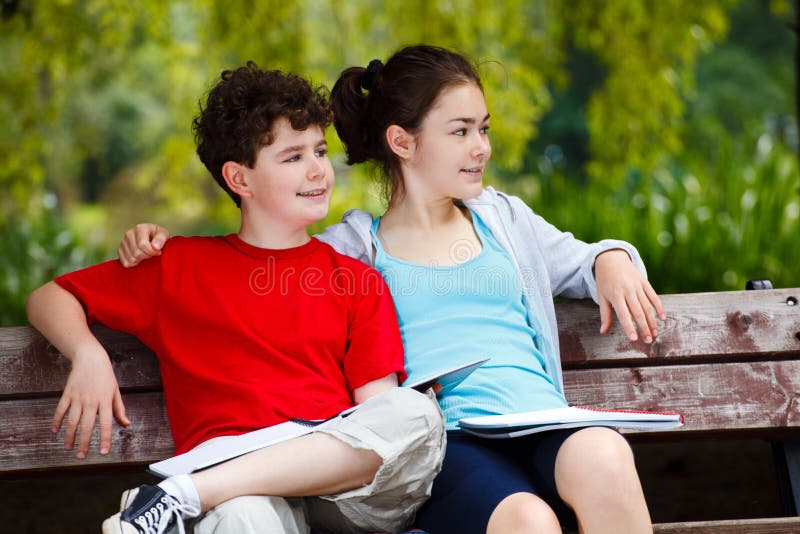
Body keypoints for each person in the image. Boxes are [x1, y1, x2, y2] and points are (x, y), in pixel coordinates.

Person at [119, 46, 665, 534]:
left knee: (606, 453)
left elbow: (582, 258)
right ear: (402, 141)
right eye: (460, 131)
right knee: (529, 521)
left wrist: (612, 258)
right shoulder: (352, 250)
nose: (481, 148)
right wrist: (157, 246)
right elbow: (265, 255)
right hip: (448, 447)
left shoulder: (505, 220)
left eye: (484, 128)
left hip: (542, 420)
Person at [26, 62, 445, 534]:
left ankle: (180, 495)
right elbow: (50, 295)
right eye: (292, 157)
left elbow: (377, 415)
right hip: (243, 491)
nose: (318, 170)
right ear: (239, 179)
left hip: (341, 496)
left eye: (320, 151)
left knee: (418, 416)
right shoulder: (176, 266)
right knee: (245, 518)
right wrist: (87, 354)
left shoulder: (357, 281)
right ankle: (198, 493)